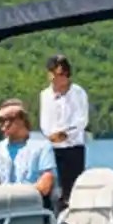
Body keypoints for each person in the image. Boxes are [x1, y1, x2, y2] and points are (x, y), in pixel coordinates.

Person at [0, 99, 59, 209]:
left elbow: (45, 185)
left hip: (33, 208)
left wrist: (19, 195)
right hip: (4, 207)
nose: (2, 125)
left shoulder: (42, 146)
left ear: (21, 120)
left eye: (7, 120)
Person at [39, 54, 89, 212]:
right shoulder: (45, 95)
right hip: (52, 147)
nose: (54, 78)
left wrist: (66, 134)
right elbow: (44, 121)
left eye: (59, 74)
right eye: (52, 73)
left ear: (67, 75)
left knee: (72, 188)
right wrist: (51, 135)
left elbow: (82, 120)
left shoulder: (78, 93)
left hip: (73, 146)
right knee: (54, 187)